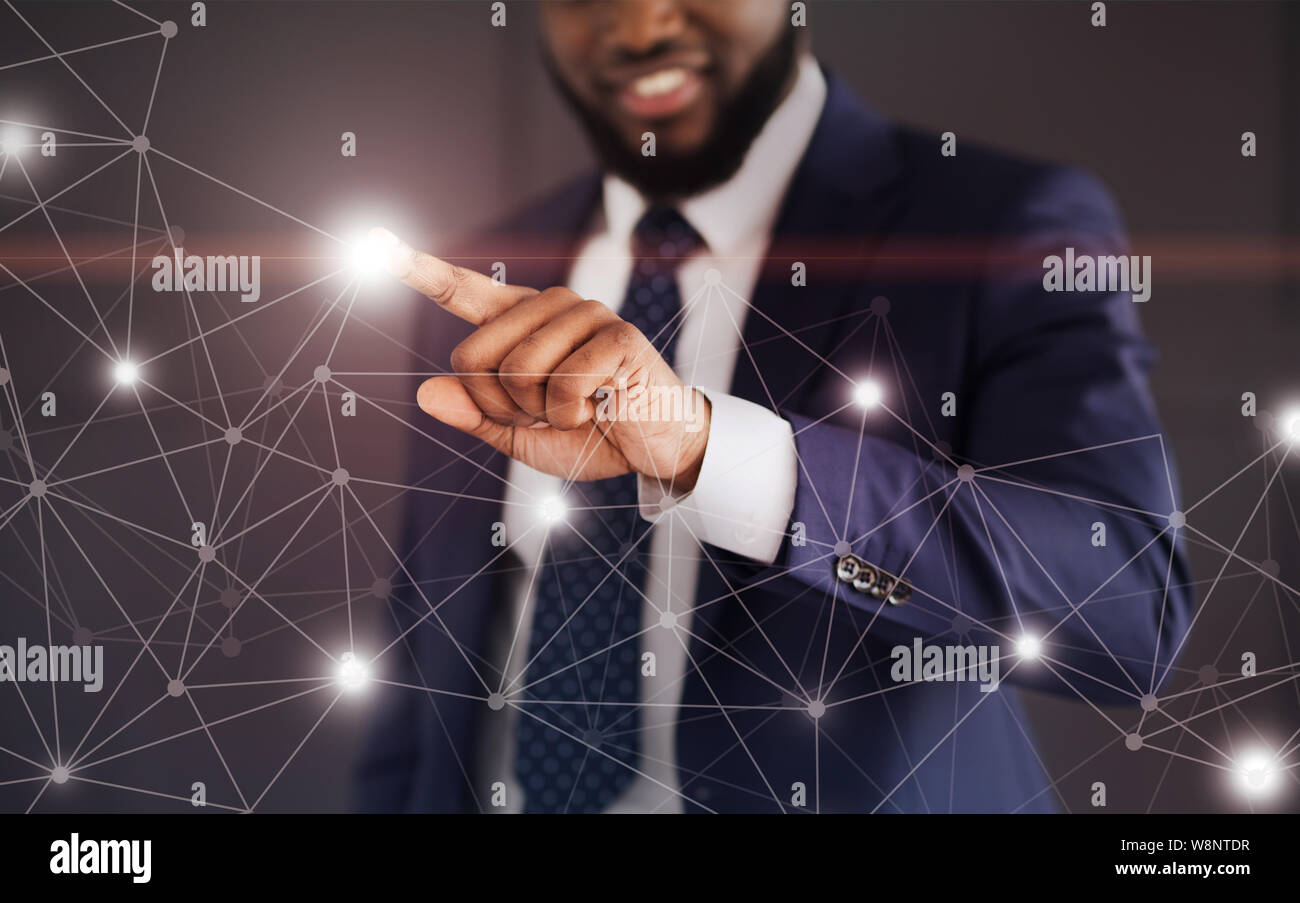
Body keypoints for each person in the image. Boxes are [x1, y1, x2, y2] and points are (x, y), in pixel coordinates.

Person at [355, 0, 1193, 814]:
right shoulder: (482, 275)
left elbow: (1129, 610)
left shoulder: (1000, 226)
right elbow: (423, 660)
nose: (640, 24)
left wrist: (709, 451)